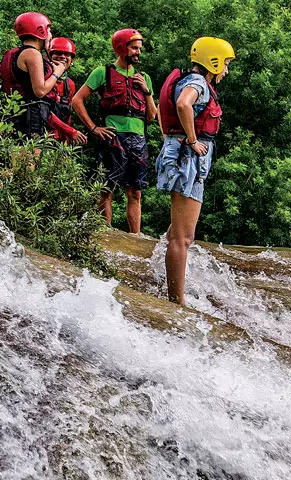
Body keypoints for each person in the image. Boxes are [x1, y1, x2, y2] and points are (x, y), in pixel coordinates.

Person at [155, 36, 234, 306]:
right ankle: (176, 302)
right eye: (224, 63)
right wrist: (191, 140)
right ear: (212, 61)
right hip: (188, 159)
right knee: (183, 237)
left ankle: (166, 282)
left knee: (177, 231)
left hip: (183, 158)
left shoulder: (191, 79)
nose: (225, 70)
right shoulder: (198, 83)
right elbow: (182, 105)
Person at [70, 28, 157, 233]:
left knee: (135, 192)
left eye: (139, 48)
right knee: (106, 189)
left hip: (138, 139)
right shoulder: (103, 72)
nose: (138, 52)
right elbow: (77, 100)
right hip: (113, 138)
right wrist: (93, 128)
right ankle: (105, 233)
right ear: (121, 48)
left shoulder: (144, 77)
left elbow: (152, 116)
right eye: (134, 48)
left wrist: (147, 91)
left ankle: (135, 238)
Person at [0, 12, 66, 137]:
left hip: (14, 114)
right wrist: (57, 72)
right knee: (32, 155)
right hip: (31, 118)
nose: (51, 36)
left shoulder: (13, 53)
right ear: (41, 30)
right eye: (49, 31)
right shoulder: (33, 54)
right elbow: (40, 91)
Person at [46, 36, 85, 145]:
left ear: (72, 60)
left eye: (66, 54)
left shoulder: (70, 84)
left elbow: (67, 115)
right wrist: (71, 131)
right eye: (58, 53)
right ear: (49, 56)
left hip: (59, 139)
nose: (62, 57)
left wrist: (67, 140)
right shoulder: (43, 78)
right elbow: (44, 111)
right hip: (41, 135)